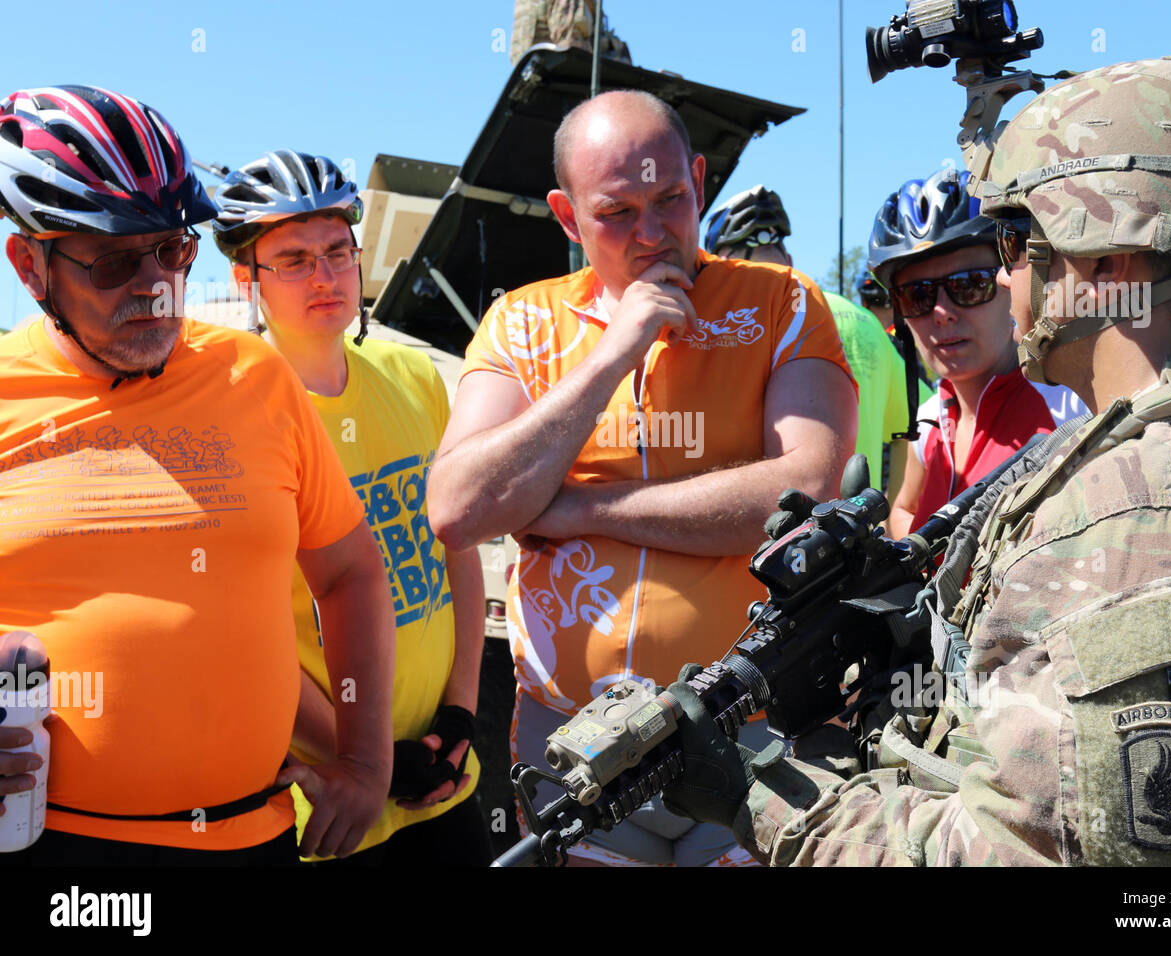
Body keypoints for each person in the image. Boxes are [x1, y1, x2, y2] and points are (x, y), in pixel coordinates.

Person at [662, 57, 1171, 866]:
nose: (1004, 276)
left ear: (1104, 263)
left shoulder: (1139, 512)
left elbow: (1027, 856)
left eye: (1012, 243)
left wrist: (757, 799)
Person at [426, 90, 857, 866]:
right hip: (571, 745)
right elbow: (460, 507)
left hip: (752, 737)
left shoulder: (783, 303)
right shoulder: (521, 322)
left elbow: (804, 491)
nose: (653, 234)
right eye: (616, 213)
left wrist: (581, 506)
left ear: (699, 179)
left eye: (671, 200)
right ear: (565, 217)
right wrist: (612, 353)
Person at [0, 86, 394, 865]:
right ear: (29, 265)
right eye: (114, 260)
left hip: (255, 838)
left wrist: (366, 762)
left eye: (173, 250)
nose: (154, 285)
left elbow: (349, 572)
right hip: (55, 851)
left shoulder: (258, 376)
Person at [212, 150, 493, 865]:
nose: (324, 276)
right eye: (294, 259)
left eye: (338, 252)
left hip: (448, 774)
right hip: (333, 800)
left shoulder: (413, 375)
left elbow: (453, 548)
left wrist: (463, 714)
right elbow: (242, 636)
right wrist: (366, 758)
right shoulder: (236, 420)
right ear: (247, 278)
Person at [867, 167, 1082, 536]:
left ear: (1007, 281)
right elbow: (902, 507)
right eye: (916, 296)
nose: (942, 313)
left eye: (969, 286)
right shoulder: (927, 417)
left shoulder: (1073, 410)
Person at [704, 183, 922, 498]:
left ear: (723, 265)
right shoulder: (864, 321)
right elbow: (917, 424)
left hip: (767, 532)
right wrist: (896, 512)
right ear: (789, 258)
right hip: (859, 534)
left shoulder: (730, 331)